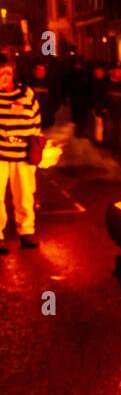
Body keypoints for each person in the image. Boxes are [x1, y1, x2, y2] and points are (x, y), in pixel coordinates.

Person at [0, 58, 43, 251]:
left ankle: (26, 230)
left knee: (25, 195)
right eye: (0, 73)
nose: (4, 77)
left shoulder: (26, 93)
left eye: (7, 72)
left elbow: (36, 120)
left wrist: (34, 143)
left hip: (23, 155)